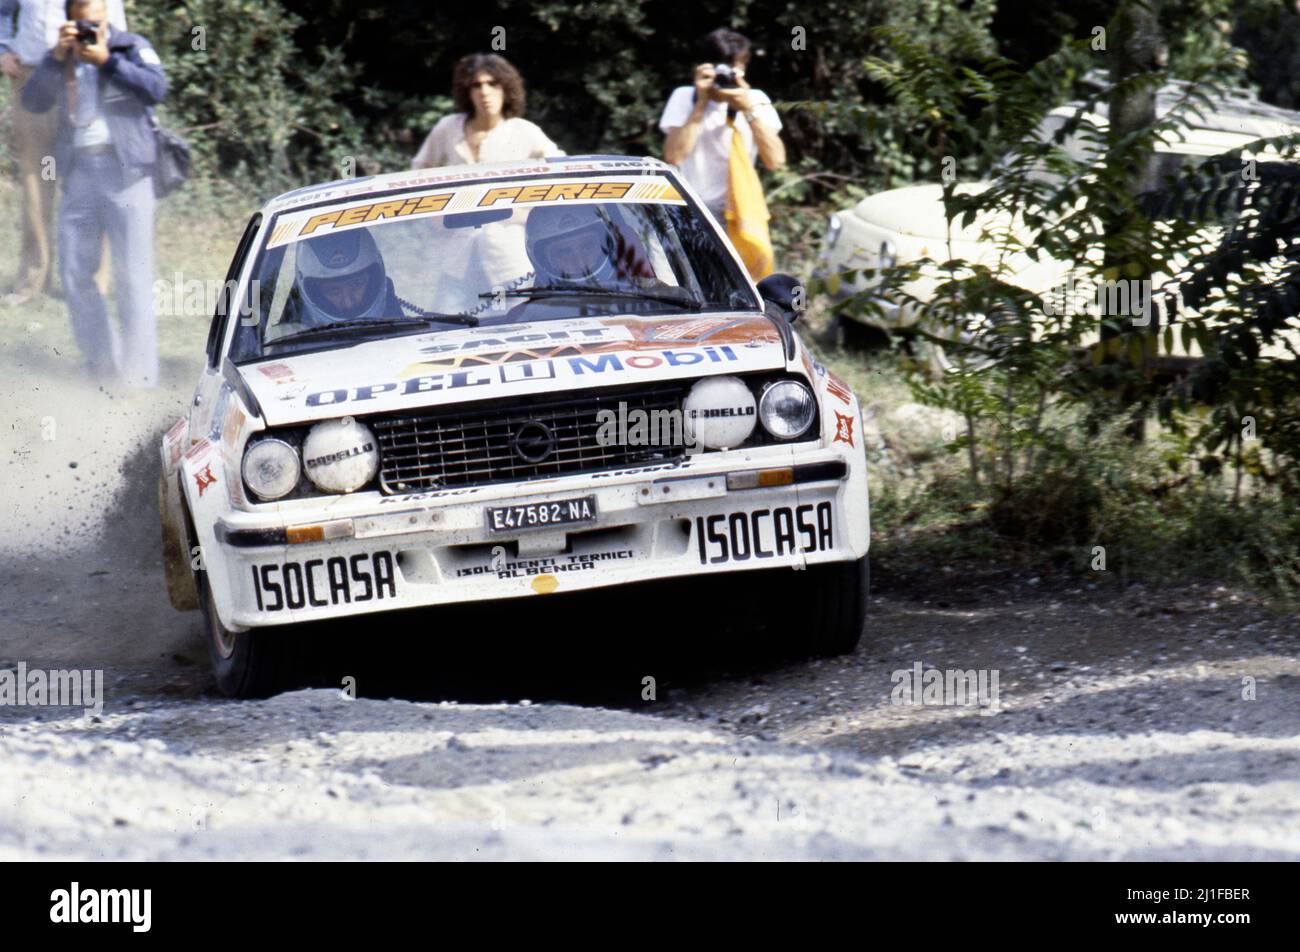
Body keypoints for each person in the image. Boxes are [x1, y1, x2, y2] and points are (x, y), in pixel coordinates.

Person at [20, 0, 164, 387]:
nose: (91, 28)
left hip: (127, 173)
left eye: (97, 19)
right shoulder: (61, 59)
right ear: (70, 20)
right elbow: (31, 101)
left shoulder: (129, 46)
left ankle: (140, 375)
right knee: (74, 274)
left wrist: (107, 61)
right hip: (79, 173)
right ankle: (101, 363)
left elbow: (156, 88)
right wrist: (53, 57)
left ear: (108, 17)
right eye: (83, 21)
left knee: (133, 275)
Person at [0, 0, 126, 307]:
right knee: (35, 177)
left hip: (83, 76)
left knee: (87, 177)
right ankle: (33, 281)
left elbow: (118, 32)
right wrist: (2, 49)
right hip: (32, 76)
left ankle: (91, 281)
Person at [660, 28, 786, 223]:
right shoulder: (685, 96)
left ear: (743, 67)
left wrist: (748, 110)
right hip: (692, 207)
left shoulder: (756, 99)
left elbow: (775, 161)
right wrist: (701, 104)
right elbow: (673, 156)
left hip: (739, 211)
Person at [411, 53, 563, 168]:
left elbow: (561, 167)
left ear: (506, 89)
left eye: (493, 84)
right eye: (476, 85)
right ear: (467, 92)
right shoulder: (448, 127)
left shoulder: (524, 131)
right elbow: (418, 171)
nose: (484, 92)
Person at [288, 230, 401, 328]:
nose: (348, 303)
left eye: (357, 284)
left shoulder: (414, 334)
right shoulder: (286, 347)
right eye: (334, 291)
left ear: (374, 281)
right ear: (315, 294)